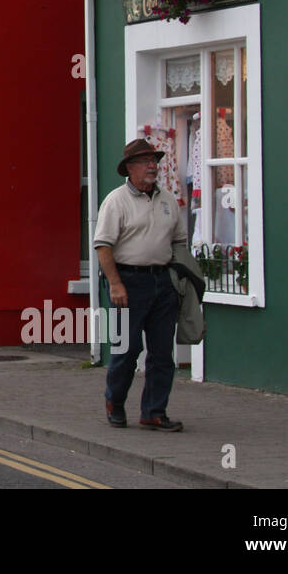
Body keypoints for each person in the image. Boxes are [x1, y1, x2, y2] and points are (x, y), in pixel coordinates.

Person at [94, 139, 187, 432]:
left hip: (163, 282)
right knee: (127, 350)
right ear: (130, 168)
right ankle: (115, 402)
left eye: (154, 161)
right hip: (128, 282)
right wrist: (116, 284)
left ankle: (154, 412)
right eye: (145, 161)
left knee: (162, 354)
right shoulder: (116, 201)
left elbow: (179, 242)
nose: (152, 166)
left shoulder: (168, 200)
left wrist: (181, 279)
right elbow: (103, 246)